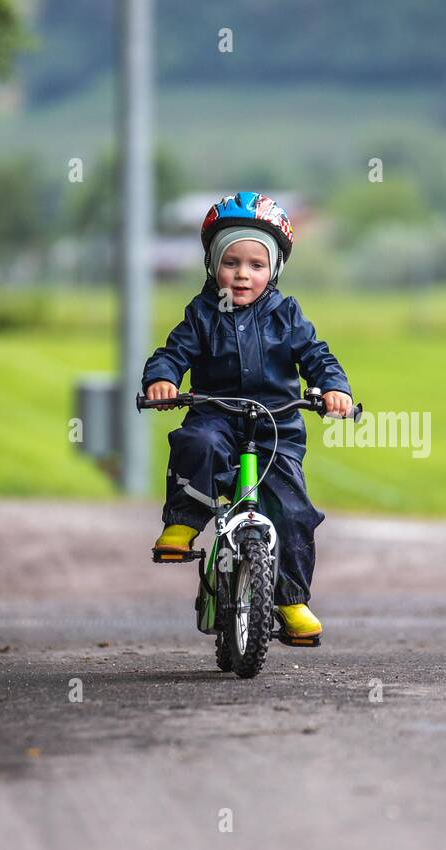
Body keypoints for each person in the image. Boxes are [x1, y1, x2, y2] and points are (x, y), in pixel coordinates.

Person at [141, 191, 353, 641]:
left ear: (273, 269)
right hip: (215, 417)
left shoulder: (288, 316)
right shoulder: (202, 315)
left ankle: (292, 599)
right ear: (212, 265)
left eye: (256, 265)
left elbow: (317, 357)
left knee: (293, 509)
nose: (242, 275)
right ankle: (182, 521)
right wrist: (162, 379)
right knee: (196, 444)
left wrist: (333, 388)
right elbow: (172, 352)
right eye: (231, 262)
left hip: (276, 426)